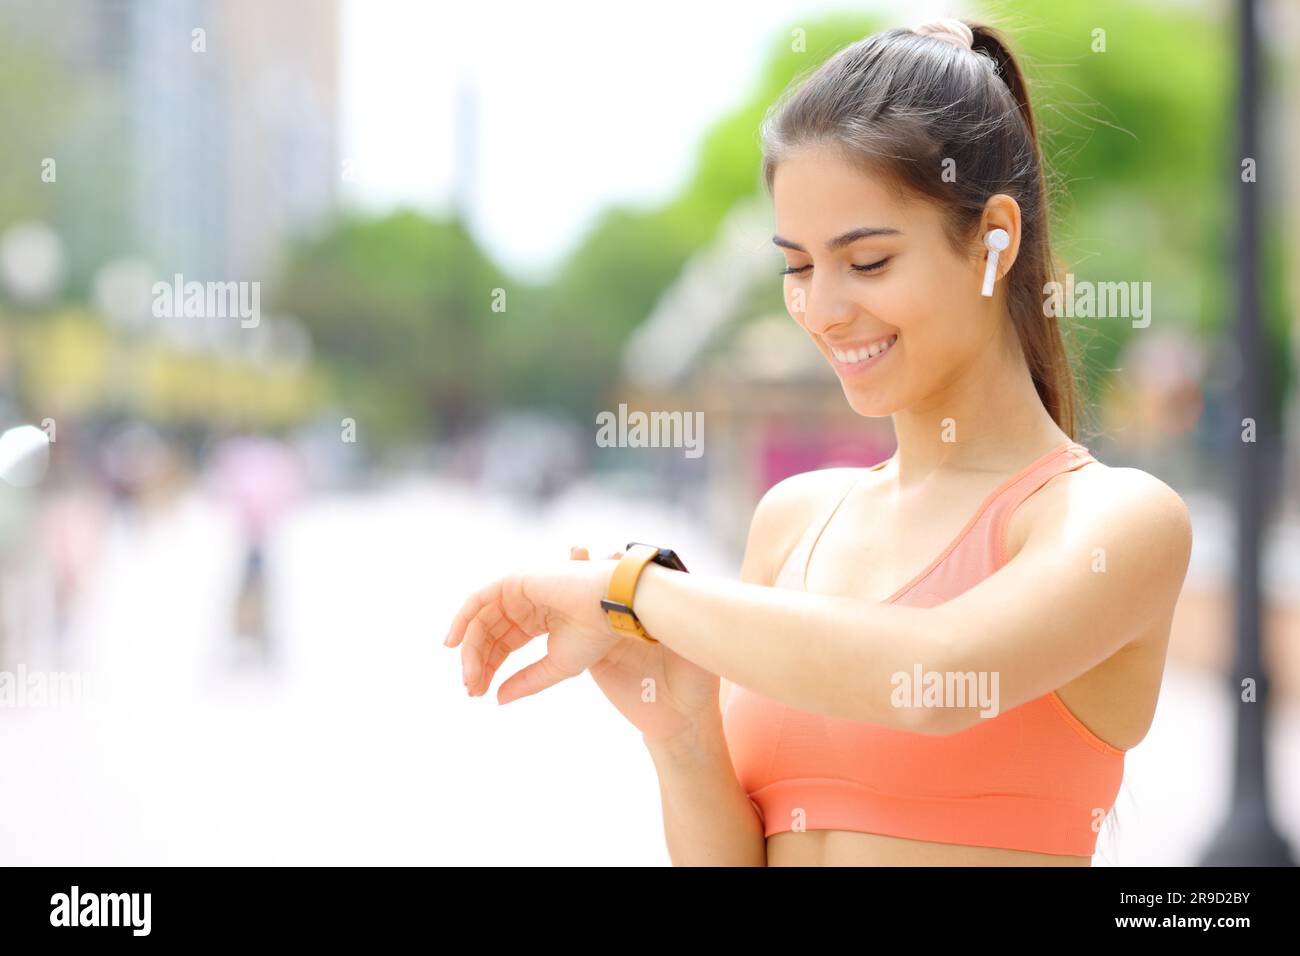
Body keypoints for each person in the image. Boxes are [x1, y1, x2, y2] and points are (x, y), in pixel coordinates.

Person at [445, 18, 1193, 867]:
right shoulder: (794, 520)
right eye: (798, 267)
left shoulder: (1115, 521)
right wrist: (683, 732)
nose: (823, 309)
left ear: (995, 239)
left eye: (866, 261)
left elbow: (932, 678)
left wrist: (634, 592)